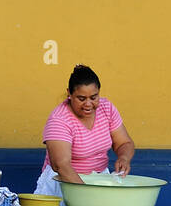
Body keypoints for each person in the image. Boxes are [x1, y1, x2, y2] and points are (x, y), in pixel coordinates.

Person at [34, 64, 136, 198]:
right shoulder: (59, 119)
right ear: (69, 94)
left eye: (94, 97)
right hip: (64, 183)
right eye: (81, 99)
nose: (88, 104)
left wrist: (124, 158)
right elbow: (61, 166)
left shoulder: (107, 109)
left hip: (98, 181)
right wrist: (87, 194)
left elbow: (124, 143)